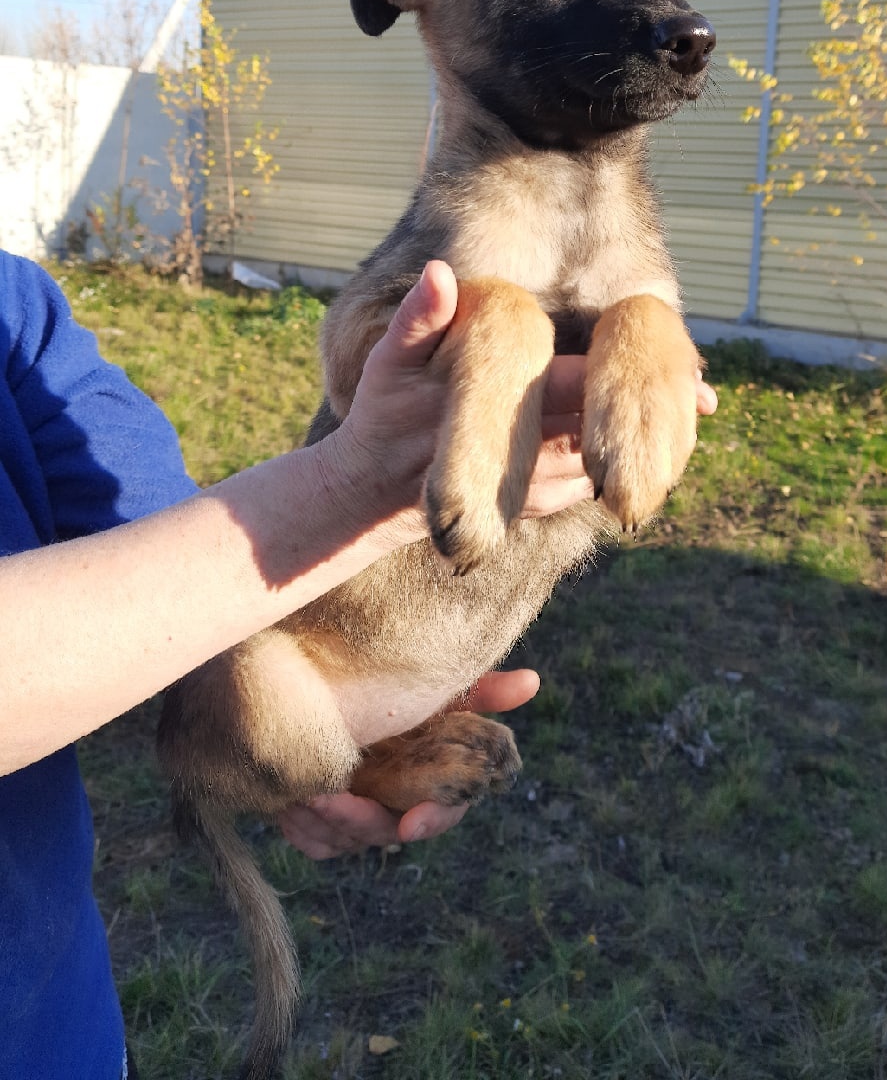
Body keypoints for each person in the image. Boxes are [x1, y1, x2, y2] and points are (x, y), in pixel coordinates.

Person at [0, 250, 715, 1077]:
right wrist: (357, 486)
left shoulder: (15, 308)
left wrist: (375, 685)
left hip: (61, 1023)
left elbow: (165, 558)